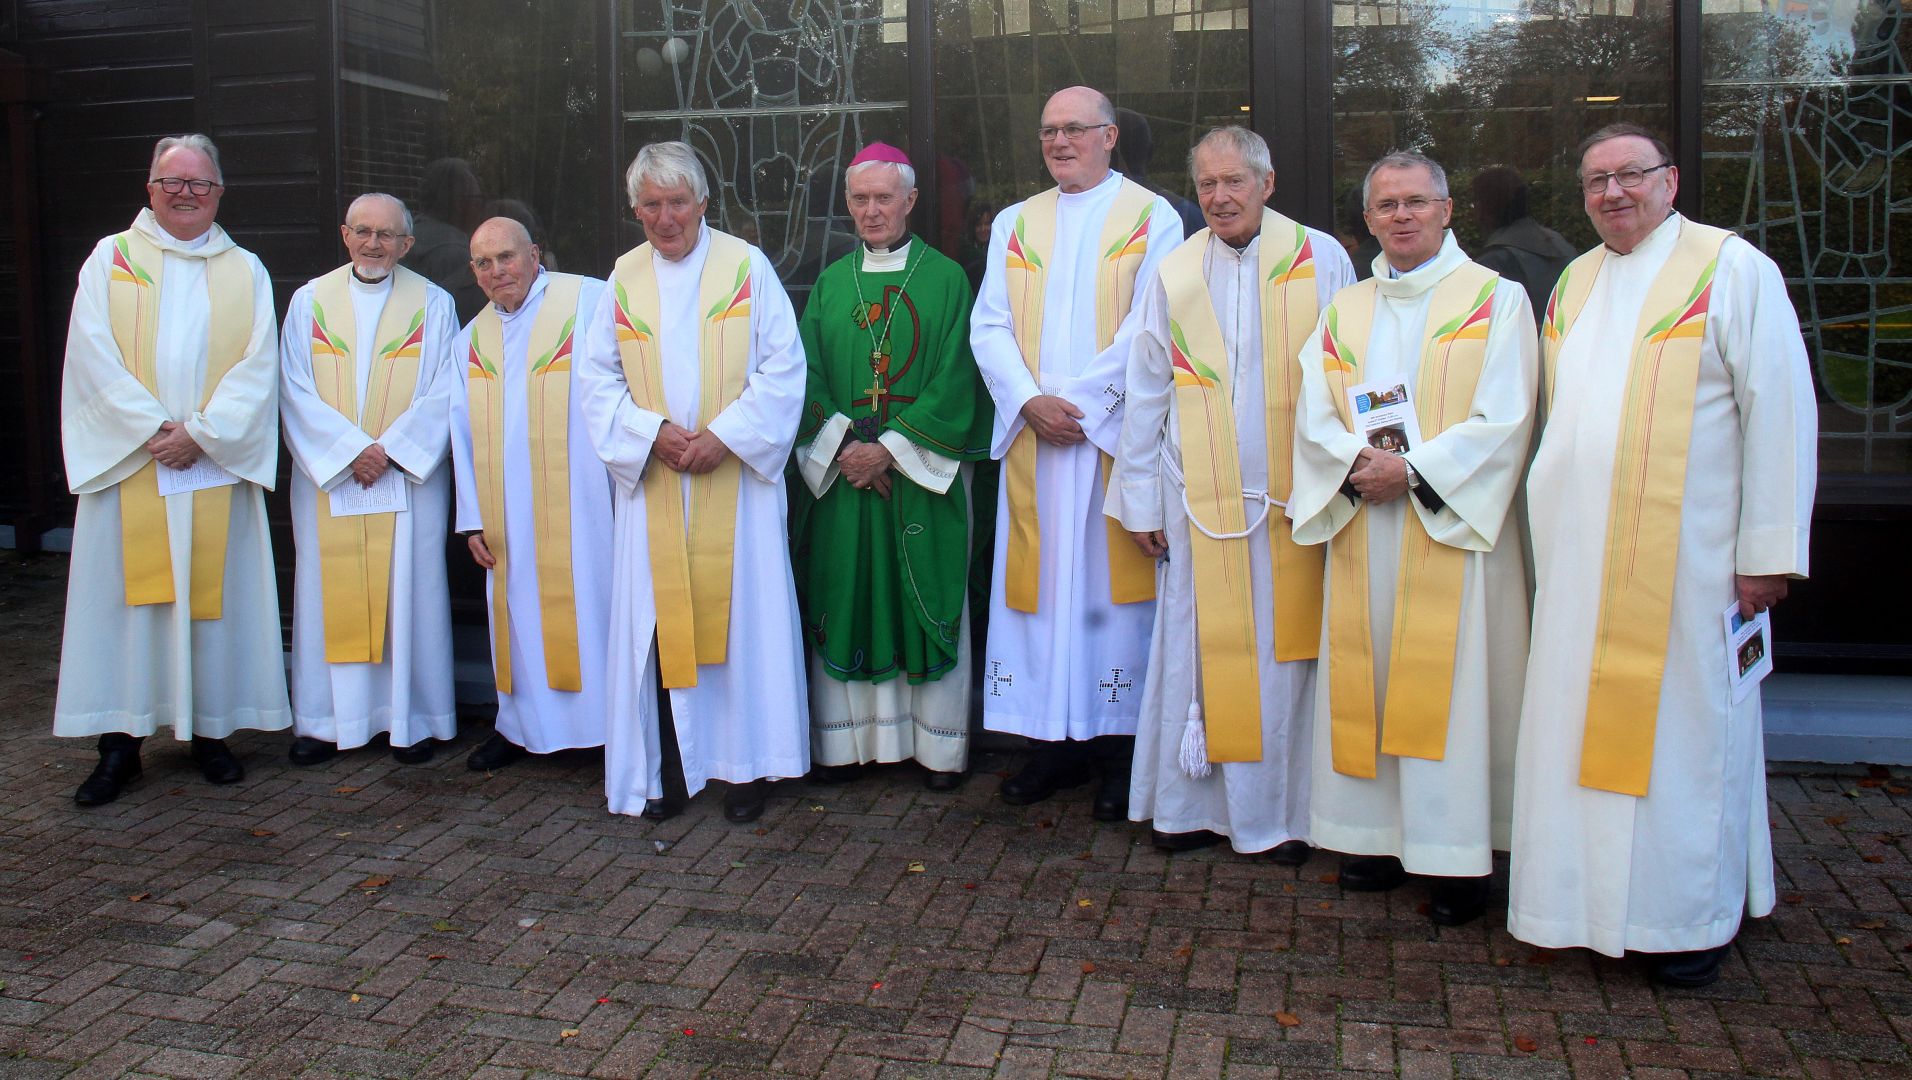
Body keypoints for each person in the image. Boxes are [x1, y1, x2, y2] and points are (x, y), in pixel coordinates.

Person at [1507, 124, 1816, 988]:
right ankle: (1577, 904)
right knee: (1575, 732)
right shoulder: (1575, 280)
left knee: (1686, 738)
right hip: (1579, 563)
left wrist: (1767, 552)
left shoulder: (1731, 268)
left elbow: (1780, 413)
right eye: (1595, 180)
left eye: (1631, 176)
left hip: (1691, 561)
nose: (1613, 193)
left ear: (1670, 181)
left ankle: (1685, 921)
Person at [1289, 151, 1537, 926]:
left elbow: (1509, 416)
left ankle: (1458, 859)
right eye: (1386, 205)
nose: (1402, 215)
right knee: (1372, 680)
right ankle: (1374, 837)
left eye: (1417, 202)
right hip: (1367, 528)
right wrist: (1357, 466)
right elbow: (1312, 410)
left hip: (1452, 535)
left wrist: (1416, 471)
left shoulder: (1497, 300)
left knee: (1453, 693)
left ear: (1447, 208)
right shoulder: (1345, 309)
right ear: (1367, 220)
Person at [1110, 126, 1355, 860]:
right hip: (1200, 502)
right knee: (1194, 653)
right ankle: (1188, 809)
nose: (1220, 197)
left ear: (1267, 182)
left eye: (1234, 182)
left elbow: (1349, 372)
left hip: (1291, 504)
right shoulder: (1177, 269)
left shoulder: (1323, 258)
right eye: (1208, 184)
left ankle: (1279, 818)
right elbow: (1147, 386)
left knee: (1285, 663)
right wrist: (1143, 497)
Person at [575, 141, 810, 824]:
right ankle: (666, 767)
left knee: (742, 622)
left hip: (733, 484)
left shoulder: (745, 266)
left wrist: (725, 437)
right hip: (656, 482)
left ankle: (745, 768)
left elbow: (783, 368)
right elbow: (596, 380)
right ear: (635, 211)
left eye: (677, 202)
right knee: (658, 626)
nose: (665, 217)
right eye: (650, 205)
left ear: (703, 203)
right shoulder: (622, 279)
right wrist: (651, 434)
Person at [54, 133, 290, 805]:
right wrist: (156, 430)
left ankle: (211, 734)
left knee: (211, 605)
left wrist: (205, 434)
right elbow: (91, 352)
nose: (186, 193)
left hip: (211, 465)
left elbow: (258, 364)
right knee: (130, 606)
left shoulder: (245, 268)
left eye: (200, 183)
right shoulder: (113, 259)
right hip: (137, 464)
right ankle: (119, 745)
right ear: (150, 188)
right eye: (173, 181)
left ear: (219, 192)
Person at [970, 86, 1183, 821]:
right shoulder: (1015, 221)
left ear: (1111, 136)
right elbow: (988, 322)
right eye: (1048, 130)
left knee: (1110, 598)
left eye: (1075, 129)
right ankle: (1049, 744)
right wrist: (1028, 400)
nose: (1060, 141)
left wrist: (1085, 408)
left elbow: (1149, 328)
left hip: (1106, 444)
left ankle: (1120, 752)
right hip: (1036, 437)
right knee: (1043, 597)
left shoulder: (1152, 217)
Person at [791, 143, 991, 790]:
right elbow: (805, 374)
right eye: (859, 199)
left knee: (920, 595)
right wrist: (847, 450)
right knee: (848, 594)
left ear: (909, 201)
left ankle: (934, 749)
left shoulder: (946, 279)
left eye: (884, 198)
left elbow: (959, 378)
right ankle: (849, 748)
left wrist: (893, 450)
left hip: (917, 480)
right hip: (847, 477)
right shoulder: (829, 281)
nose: (871, 210)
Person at [280, 193, 461, 765]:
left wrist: (391, 452)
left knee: (410, 592)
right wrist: (350, 452)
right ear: (345, 235)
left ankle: (411, 720)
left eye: (387, 235)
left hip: (405, 479)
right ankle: (325, 721)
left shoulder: (434, 304)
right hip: (333, 480)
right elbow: (293, 389)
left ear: (407, 244)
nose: (374, 244)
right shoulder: (308, 302)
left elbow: (444, 390)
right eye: (363, 232)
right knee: (325, 595)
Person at [449, 217, 613, 770]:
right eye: (484, 263)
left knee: (592, 611)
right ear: (474, 273)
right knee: (515, 619)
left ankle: (605, 730)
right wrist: (472, 519)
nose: (498, 271)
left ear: (535, 254)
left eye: (507, 257)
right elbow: (460, 429)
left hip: (584, 502)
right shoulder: (470, 339)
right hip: (506, 513)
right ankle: (517, 726)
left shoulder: (586, 301)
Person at [1470, 165, 1576, 327]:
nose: (1474, 212)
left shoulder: (1493, 263)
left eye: (1475, 203)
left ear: (1487, 206)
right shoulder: (1560, 244)